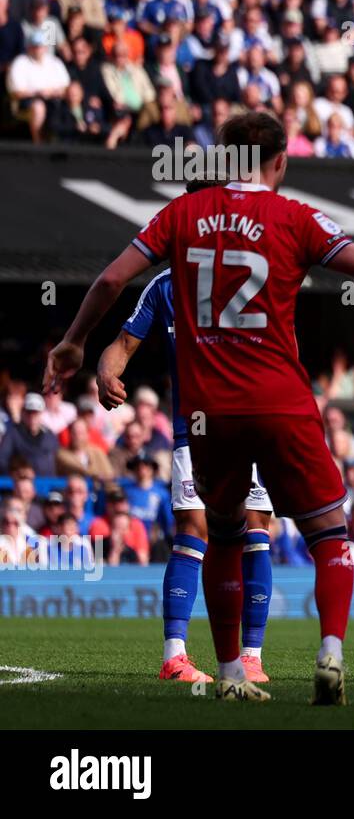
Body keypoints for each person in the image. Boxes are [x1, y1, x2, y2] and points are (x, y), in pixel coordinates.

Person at [44, 111, 354, 704]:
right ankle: (330, 652)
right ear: (281, 161)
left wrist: (72, 342)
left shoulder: (180, 216)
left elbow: (109, 281)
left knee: (222, 536)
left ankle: (229, 675)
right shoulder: (295, 217)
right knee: (328, 533)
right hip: (281, 403)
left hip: (207, 414)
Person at [96, 259, 277, 684]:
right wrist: (106, 372)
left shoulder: (255, 277)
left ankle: (252, 657)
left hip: (253, 425)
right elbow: (123, 343)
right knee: (194, 530)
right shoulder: (165, 286)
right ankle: (174, 655)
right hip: (192, 429)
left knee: (255, 531)